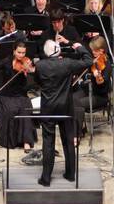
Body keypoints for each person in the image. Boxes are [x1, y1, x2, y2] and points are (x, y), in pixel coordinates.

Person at [33, 39, 94, 186]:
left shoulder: (40, 66)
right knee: (68, 140)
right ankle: (70, 174)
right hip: (65, 107)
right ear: (58, 51)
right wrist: (80, 48)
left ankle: (46, 178)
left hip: (48, 108)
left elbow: (37, 82)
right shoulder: (66, 63)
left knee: (48, 142)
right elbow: (88, 61)